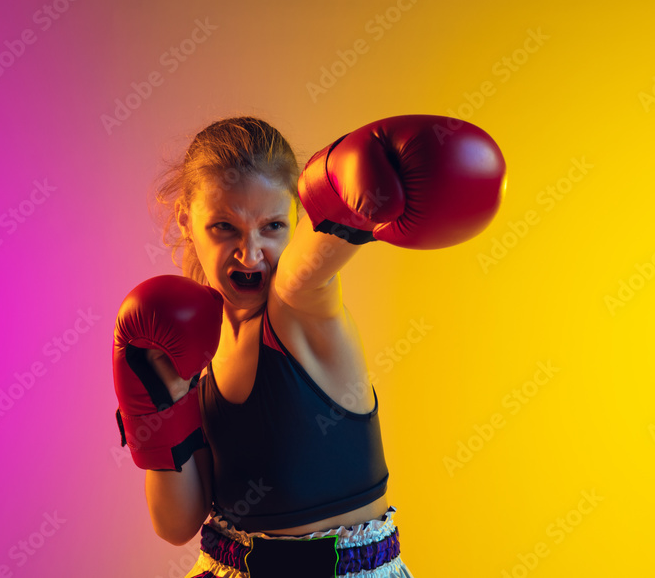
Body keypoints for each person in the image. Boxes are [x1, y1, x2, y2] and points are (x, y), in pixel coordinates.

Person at [112, 114, 505, 577]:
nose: (250, 253)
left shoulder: (297, 310)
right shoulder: (190, 346)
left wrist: (349, 192)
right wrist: (156, 402)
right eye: (224, 226)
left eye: (273, 226)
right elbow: (176, 524)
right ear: (186, 219)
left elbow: (308, 264)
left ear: (297, 221)